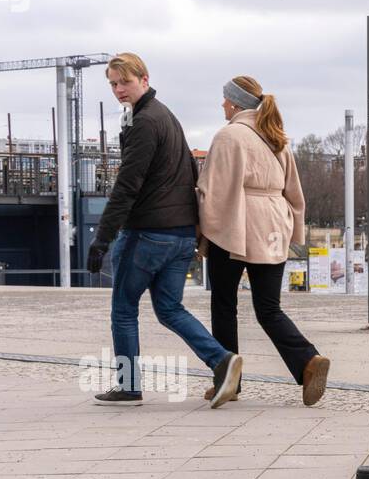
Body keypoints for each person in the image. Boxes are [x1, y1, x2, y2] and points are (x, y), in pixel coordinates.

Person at [87, 53, 242, 407]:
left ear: (144, 78)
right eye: (112, 83)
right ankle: (222, 360)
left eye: (124, 81)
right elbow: (190, 170)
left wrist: (102, 239)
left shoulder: (144, 122)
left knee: (124, 309)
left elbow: (128, 184)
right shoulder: (167, 116)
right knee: (170, 308)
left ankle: (128, 386)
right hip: (180, 235)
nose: (118, 90)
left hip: (148, 233)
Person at [196, 75, 329, 406]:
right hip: (273, 224)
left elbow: (213, 190)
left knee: (224, 304)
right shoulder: (276, 138)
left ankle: (228, 380)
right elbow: (293, 191)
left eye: (225, 99)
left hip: (236, 223)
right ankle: (308, 360)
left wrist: (203, 232)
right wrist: (293, 229)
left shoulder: (229, 136)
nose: (222, 105)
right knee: (269, 307)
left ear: (236, 103)